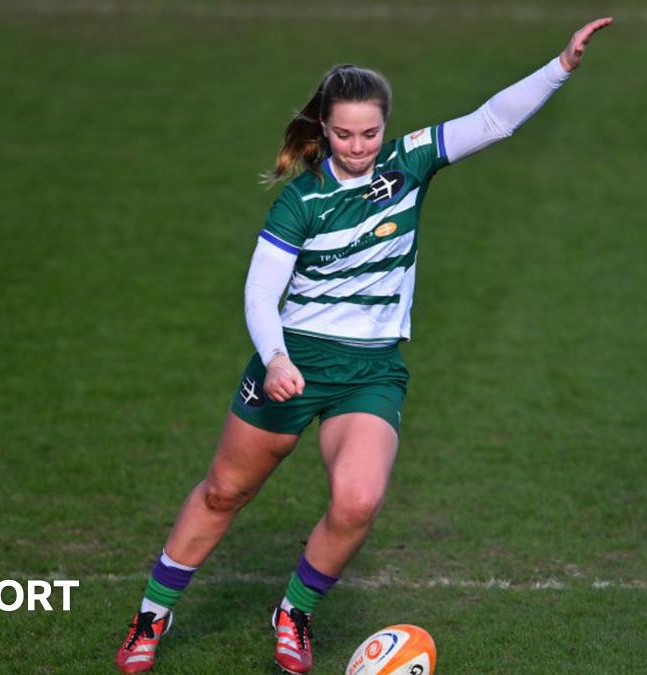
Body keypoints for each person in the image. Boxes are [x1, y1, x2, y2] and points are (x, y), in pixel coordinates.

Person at [115, 17, 613, 674]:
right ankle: (153, 612)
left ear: (387, 125)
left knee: (358, 500)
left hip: (371, 370)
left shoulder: (410, 162)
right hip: (293, 364)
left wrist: (561, 66)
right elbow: (260, 292)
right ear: (324, 128)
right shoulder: (302, 200)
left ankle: (293, 612)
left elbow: (493, 121)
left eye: (370, 133)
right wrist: (276, 359)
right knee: (224, 493)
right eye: (344, 134)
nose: (358, 146)